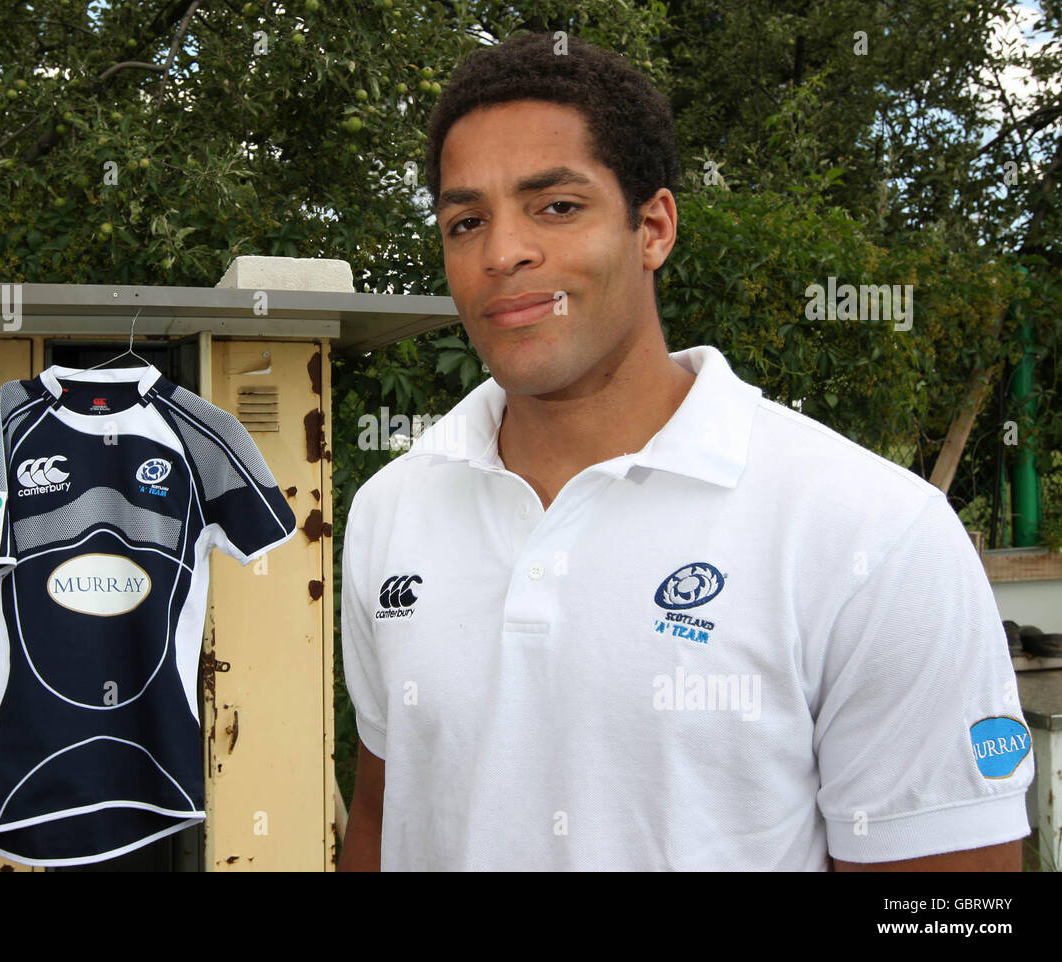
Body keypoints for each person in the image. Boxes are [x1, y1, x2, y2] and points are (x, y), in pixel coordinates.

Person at [338, 31, 1032, 871]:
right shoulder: (392, 510)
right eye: (465, 221)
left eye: (557, 206)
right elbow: (383, 819)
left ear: (654, 227)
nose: (502, 253)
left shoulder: (870, 532)